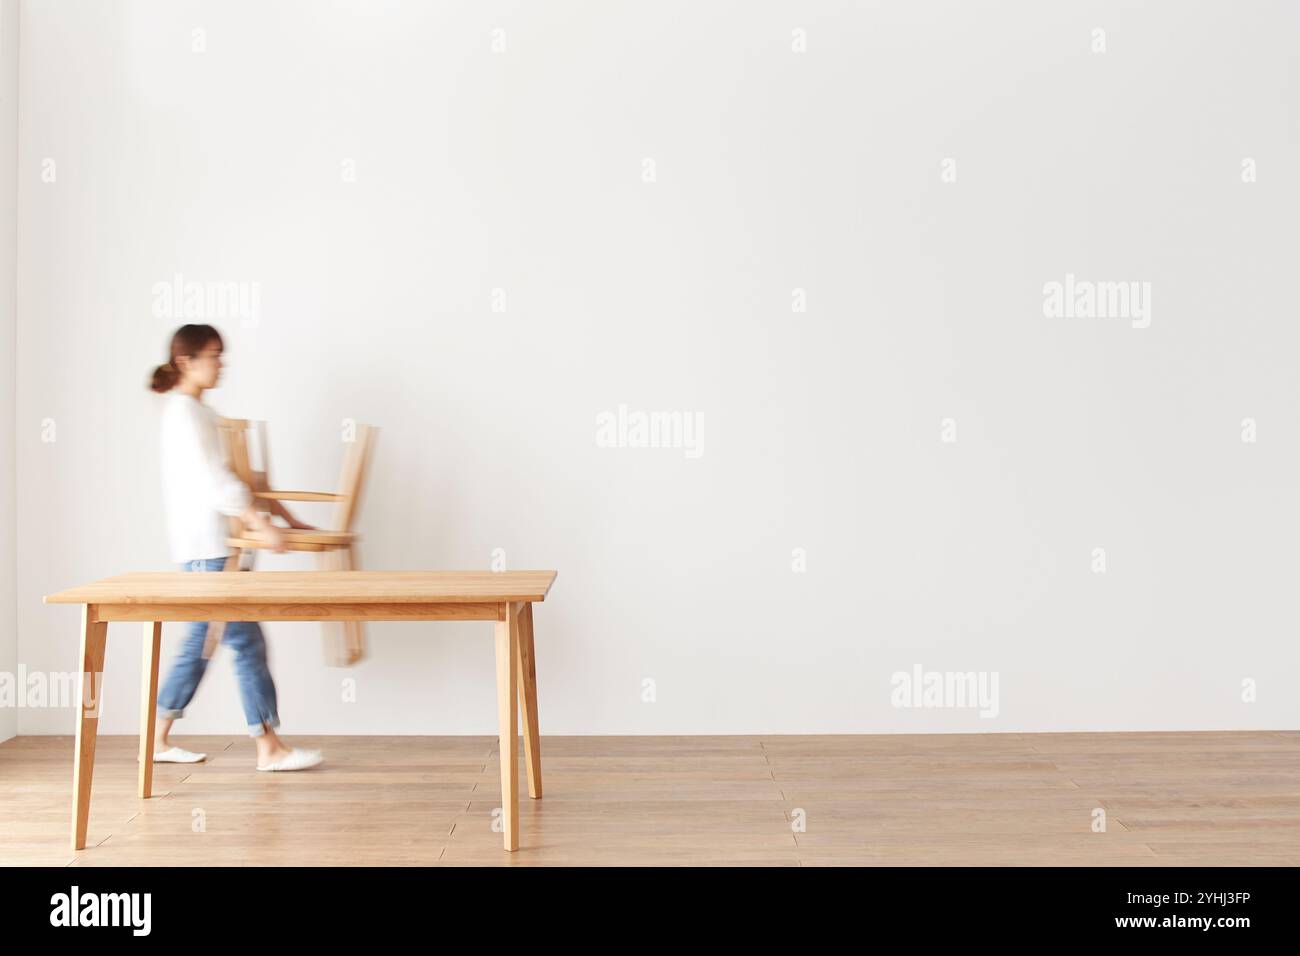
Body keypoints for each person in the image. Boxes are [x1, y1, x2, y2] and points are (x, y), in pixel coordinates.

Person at [147, 323, 323, 771]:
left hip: (220, 547)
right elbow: (216, 482)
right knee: (243, 642)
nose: (221, 363)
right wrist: (258, 522)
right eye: (214, 354)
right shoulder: (184, 413)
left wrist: (287, 518)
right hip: (210, 548)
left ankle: (158, 736)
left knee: (204, 643)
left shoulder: (204, 414)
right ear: (187, 360)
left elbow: (246, 477)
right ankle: (268, 747)